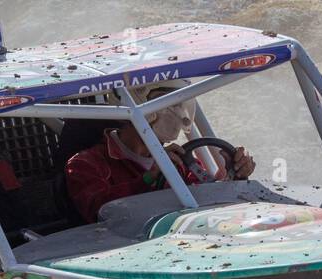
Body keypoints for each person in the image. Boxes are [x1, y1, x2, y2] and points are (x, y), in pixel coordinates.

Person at [65, 87, 256, 224]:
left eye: (178, 103)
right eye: (165, 102)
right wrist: (149, 178)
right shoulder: (85, 164)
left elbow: (206, 200)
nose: (176, 113)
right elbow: (100, 212)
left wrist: (236, 175)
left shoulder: (179, 160)